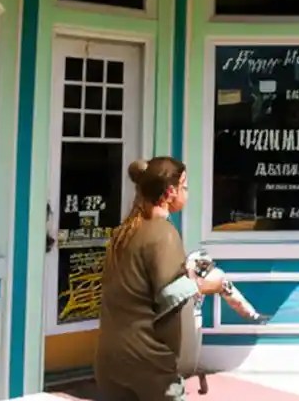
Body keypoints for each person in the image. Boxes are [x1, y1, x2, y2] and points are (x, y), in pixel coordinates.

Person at [95, 157, 223, 401]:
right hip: (150, 362)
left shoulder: (123, 232)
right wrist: (210, 285)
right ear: (170, 192)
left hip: (109, 358)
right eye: (184, 186)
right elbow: (171, 295)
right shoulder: (163, 233)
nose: (187, 192)